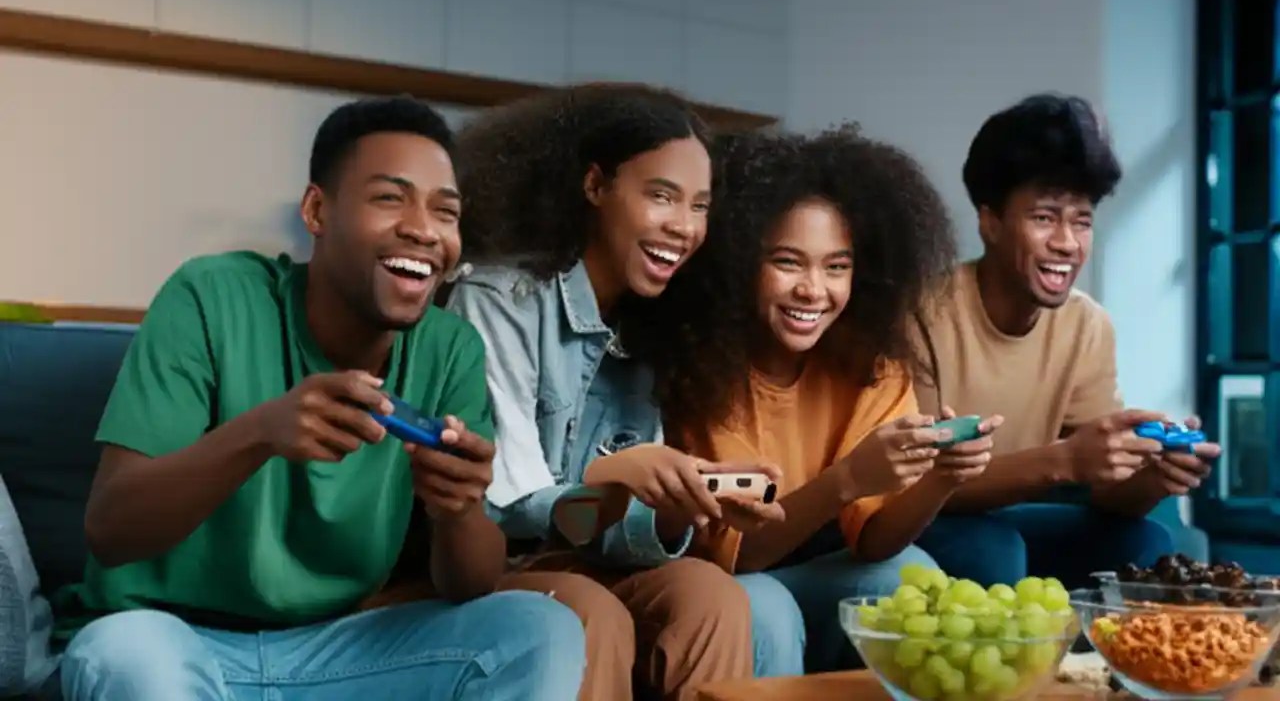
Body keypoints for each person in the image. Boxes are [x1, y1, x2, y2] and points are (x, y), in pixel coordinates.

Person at [50, 97, 586, 701]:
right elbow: (111, 529)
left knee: (539, 630)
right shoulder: (209, 296)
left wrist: (459, 508)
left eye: (446, 211)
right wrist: (258, 434)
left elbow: (471, 583)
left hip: (338, 651)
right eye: (390, 197)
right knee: (126, 659)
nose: (423, 228)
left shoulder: (451, 347)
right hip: (175, 640)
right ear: (317, 210)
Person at [441, 83, 783, 701]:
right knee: (585, 610)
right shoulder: (498, 301)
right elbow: (506, 512)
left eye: (701, 206)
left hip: (580, 560)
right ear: (595, 187)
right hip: (487, 568)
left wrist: (678, 503)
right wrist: (612, 479)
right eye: (661, 196)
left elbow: (600, 533)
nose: (683, 226)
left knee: (710, 596)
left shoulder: (660, 326)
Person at [654, 125, 999, 673]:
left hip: (807, 572)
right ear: (739, 264)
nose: (814, 290)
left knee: (914, 575)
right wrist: (848, 479)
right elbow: (740, 557)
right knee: (764, 608)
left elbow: (876, 541)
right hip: (718, 585)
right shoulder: (706, 374)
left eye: (836, 267)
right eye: (788, 263)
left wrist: (943, 477)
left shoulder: (873, 368)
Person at [910, 92, 1223, 589]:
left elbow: (1107, 492)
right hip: (919, 522)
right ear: (989, 220)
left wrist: (1153, 477)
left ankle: (1101, 669)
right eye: (1044, 217)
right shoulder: (921, 314)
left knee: (1148, 542)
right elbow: (913, 488)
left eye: (1082, 220)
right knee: (993, 547)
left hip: (1018, 515)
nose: (1067, 243)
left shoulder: (1087, 325)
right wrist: (1062, 461)